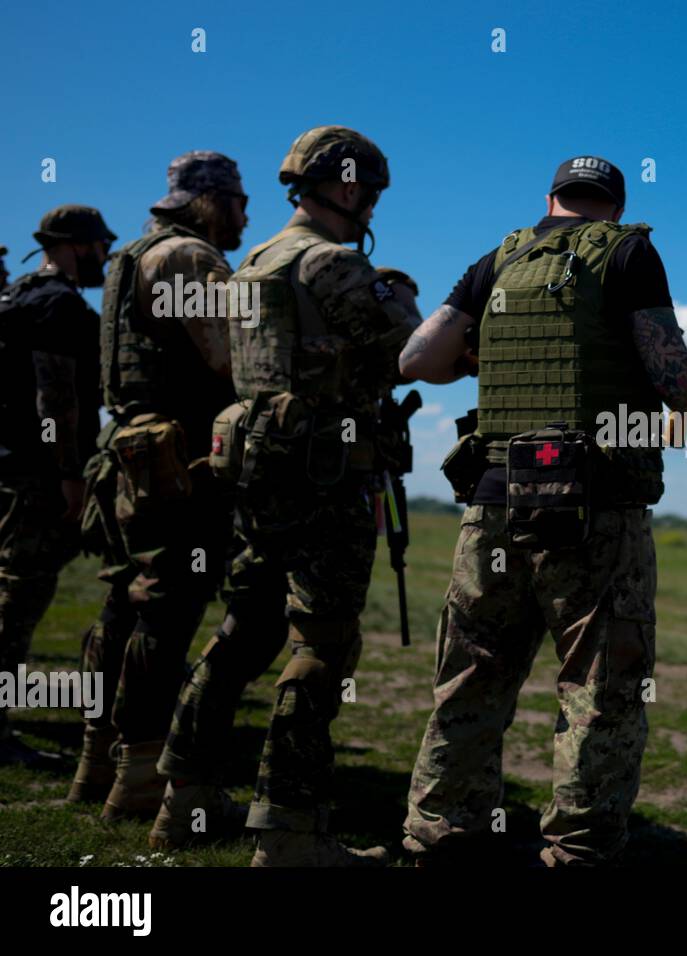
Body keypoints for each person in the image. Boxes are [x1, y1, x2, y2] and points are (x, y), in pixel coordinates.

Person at [398, 155, 687, 866]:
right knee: (599, 693)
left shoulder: (499, 260)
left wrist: (484, 360)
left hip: (493, 507)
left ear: (550, 200)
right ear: (614, 205)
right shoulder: (630, 251)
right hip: (594, 509)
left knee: (470, 681)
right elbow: (679, 386)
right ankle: (577, 851)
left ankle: (439, 840)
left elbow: (416, 359)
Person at [223, 126, 420, 866]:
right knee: (323, 646)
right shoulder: (331, 263)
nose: (370, 207)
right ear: (345, 188)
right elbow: (413, 350)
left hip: (256, 473)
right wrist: (400, 293)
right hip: (326, 478)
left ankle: (171, 788)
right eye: (368, 192)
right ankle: (288, 831)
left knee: (243, 629)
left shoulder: (255, 260)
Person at [66, 152, 256, 833]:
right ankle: (141, 776)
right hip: (178, 462)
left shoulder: (127, 256)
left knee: (124, 604)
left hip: (127, 454)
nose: (245, 214)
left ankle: (99, 766)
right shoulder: (189, 258)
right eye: (237, 200)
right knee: (166, 611)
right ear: (207, 198)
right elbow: (232, 359)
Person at [0, 206, 112, 766]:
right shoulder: (59, 305)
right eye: (99, 246)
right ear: (75, 246)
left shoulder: (19, 294)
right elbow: (57, 398)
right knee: (18, 597)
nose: (105, 256)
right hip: (37, 475)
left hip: (11, 465)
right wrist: (70, 473)